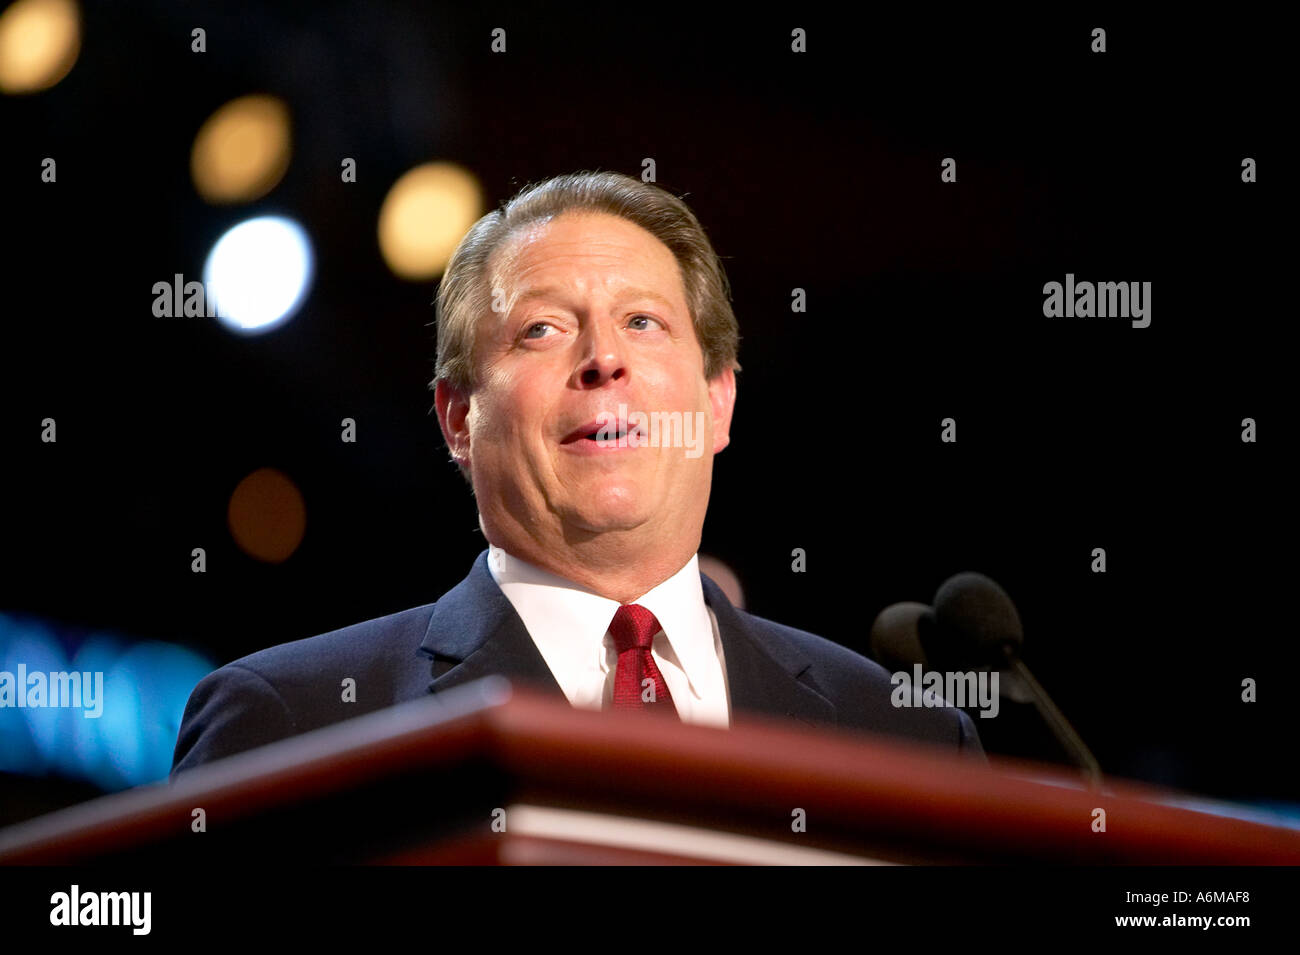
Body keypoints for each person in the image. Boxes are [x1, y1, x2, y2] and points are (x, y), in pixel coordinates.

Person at [171, 171, 983, 774]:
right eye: (542, 328)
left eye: (643, 321)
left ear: (717, 402)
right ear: (458, 418)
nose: (602, 359)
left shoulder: (901, 735)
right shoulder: (292, 724)